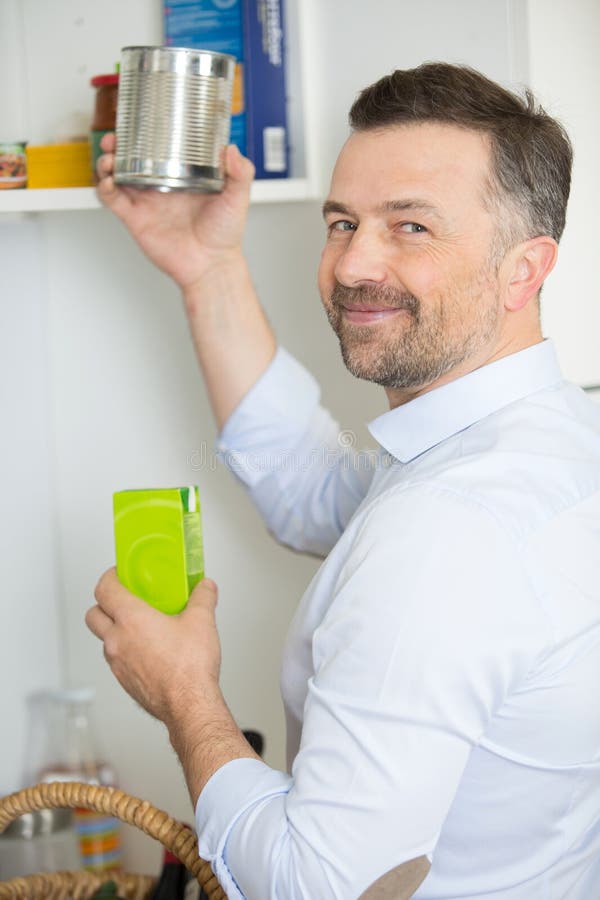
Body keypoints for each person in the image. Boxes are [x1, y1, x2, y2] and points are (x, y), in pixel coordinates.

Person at [85, 63, 600, 898]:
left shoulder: (454, 527)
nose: (354, 263)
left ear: (523, 269)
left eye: (411, 228)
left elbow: (314, 885)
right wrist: (206, 267)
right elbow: (313, 491)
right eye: (342, 221)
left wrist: (184, 696)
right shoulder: (544, 441)